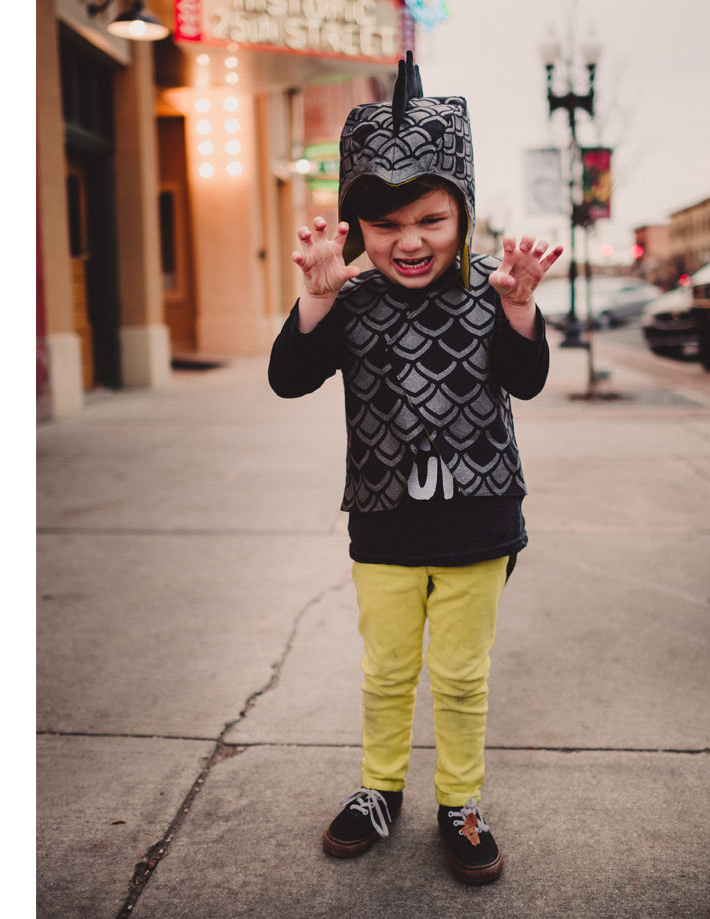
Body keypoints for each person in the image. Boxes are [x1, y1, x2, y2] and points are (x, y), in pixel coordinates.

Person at [268, 51, 562, 885]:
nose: (408, 241)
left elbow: (528, 380)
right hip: (385, 522)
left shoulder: (488, 293)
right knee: (388, 669)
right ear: (354, 227)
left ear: (462, 216)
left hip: (479, 522)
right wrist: (318, 299)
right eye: (385, 225)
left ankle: (459, 802)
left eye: (431, 220)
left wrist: (519, 309)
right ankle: (379, 790)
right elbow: (289, 377)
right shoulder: (350, 301)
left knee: (463, 675)